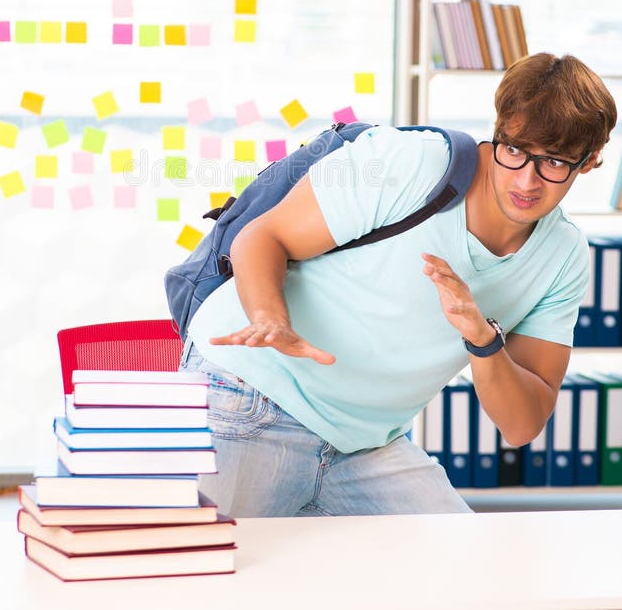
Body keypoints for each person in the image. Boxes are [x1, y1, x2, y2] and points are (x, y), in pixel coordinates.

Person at [181, 53, 617, 517]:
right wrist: (271, 319)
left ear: (589, 162)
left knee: (473, 578)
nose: (527, 181)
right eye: (514, 150)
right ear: (500, 128)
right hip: (252, 393)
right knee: (203, 572)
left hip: (366, 444)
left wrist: (483, 340)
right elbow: (263, 237)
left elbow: (522, 424)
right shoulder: (415, 164)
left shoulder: (563, 256)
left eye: (553, 162)